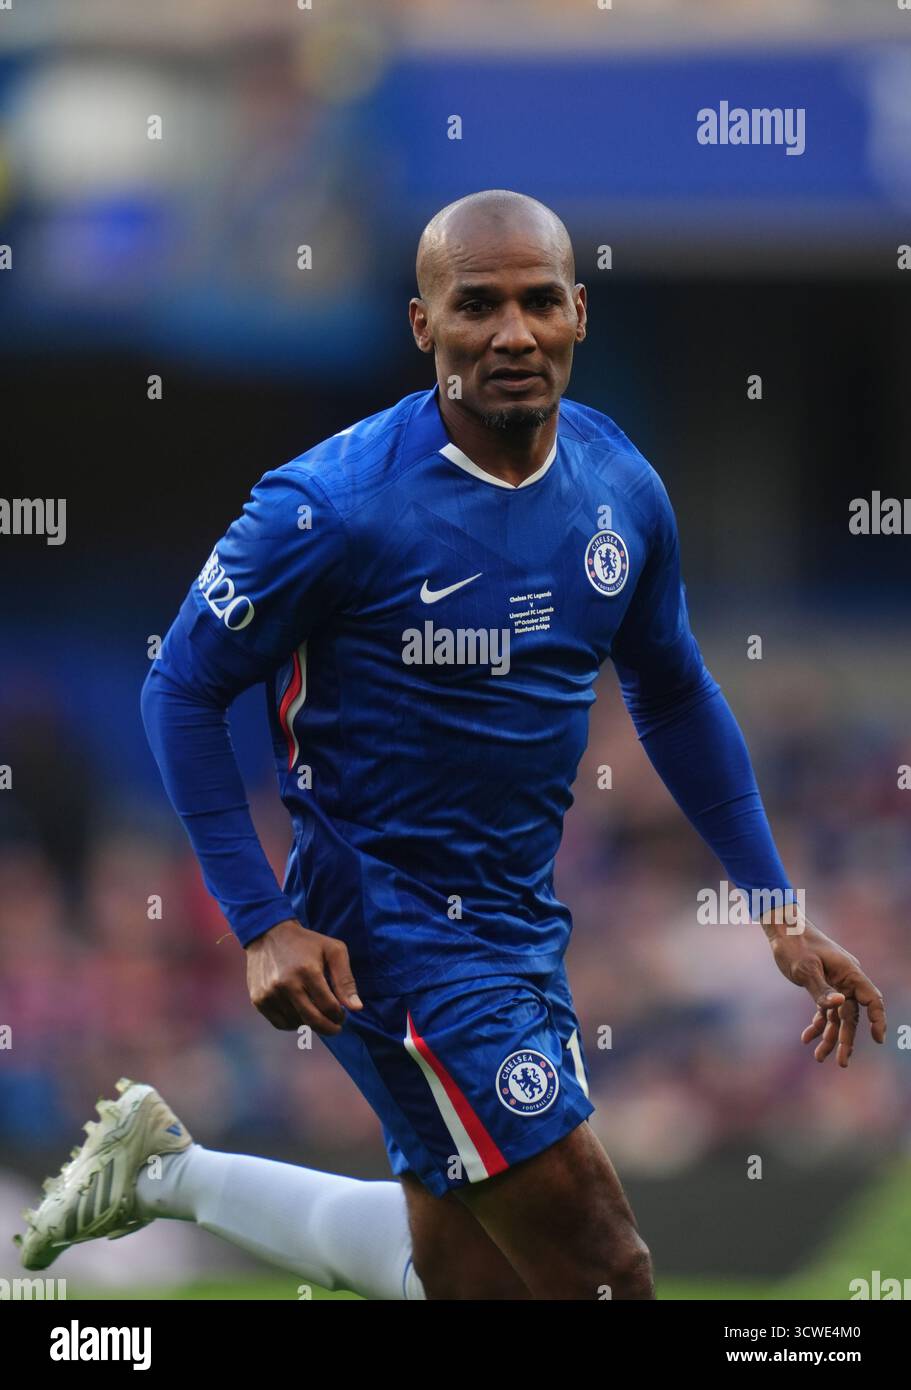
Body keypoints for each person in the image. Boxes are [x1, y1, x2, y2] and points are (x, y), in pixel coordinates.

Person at [15, 190, 886, 1300]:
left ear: (579, 313)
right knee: (603, 1270)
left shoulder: (619, 485)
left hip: (518, 917)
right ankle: (177, 1174)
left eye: (536, 301)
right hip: (385, 922)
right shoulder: (330, 506)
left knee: (473, 1282)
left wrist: (773, 904)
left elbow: (672, 692)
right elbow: (179, 689)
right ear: (424, 325)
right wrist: (262, 922)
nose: (510, 333)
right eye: (475, 304)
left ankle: (173, 1172)